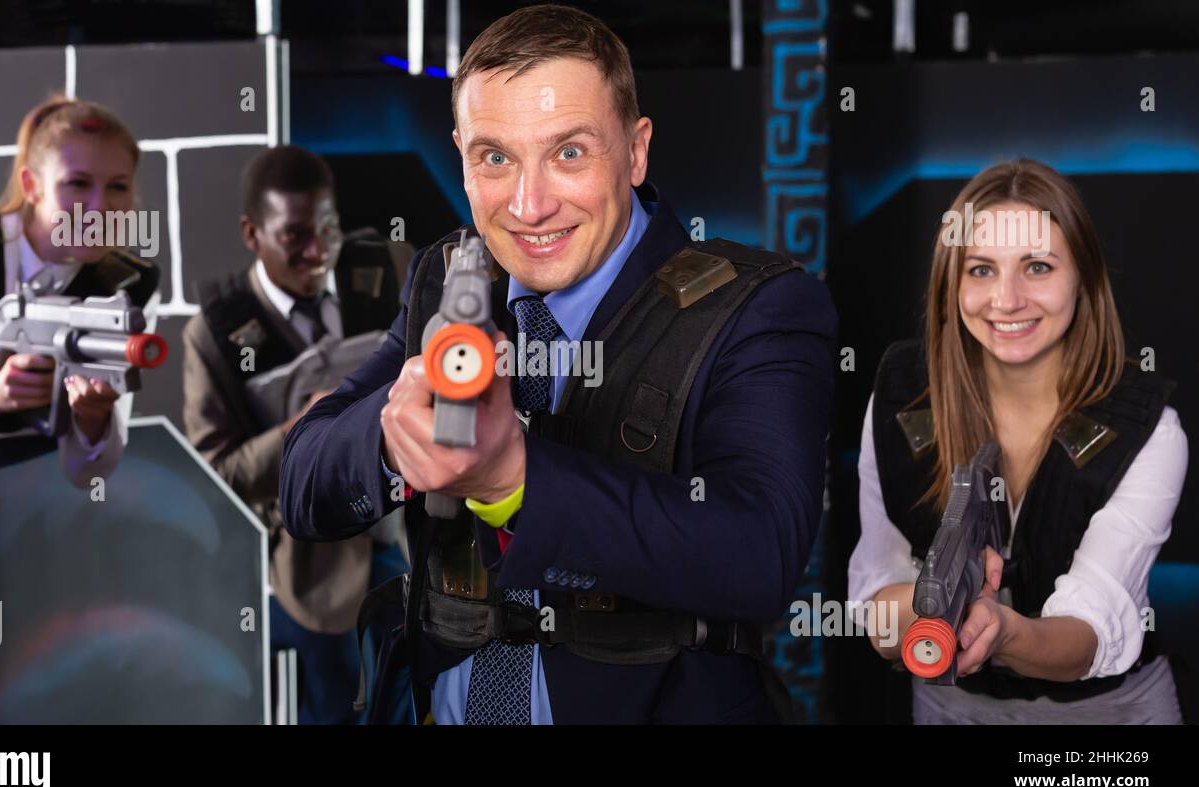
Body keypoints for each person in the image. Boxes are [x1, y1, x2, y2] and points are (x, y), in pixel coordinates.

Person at [280, 4, 837, 725]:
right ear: (461, 155)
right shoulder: (446, 279)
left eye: (569, 153)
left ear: (635, 152)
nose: (529, 204)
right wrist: (396, 439)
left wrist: (512, 480)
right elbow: (304, 485)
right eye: (495, 157)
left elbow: (759, 555)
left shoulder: (757, 305)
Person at [847, 158, 1187, 723]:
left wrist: (999, 632)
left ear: (1084, 276)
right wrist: (934, 605)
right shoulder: (902, 398)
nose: (1006, 300)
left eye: (1036, 266)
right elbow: (877, 598)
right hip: (950, 705)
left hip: (1109, 720)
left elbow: (1085, 635)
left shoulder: (1151, 427)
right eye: (981, 269)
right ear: (950, 281)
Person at [181, 145, 411, 725]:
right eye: (296, 235)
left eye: (329, 227)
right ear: (252, 234)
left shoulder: (390, 266)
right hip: (306, 581)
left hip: (411, 550)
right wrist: (303, 426)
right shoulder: (214, 332)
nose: (319, 250)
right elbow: (216, 480)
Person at [0, 96, 158, 487]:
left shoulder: (125, 286)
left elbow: (90, 476)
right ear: (30, 185)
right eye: (78, 184)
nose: (100, 207)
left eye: (118, 187)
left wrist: (93, 421)